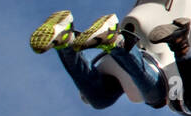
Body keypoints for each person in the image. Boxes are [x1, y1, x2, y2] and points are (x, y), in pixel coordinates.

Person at [29, 11, 166, 110]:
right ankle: (115, 41)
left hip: (115, 65)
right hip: (148, 63)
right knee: (157, 96)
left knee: (99, 100)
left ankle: (65, 39)